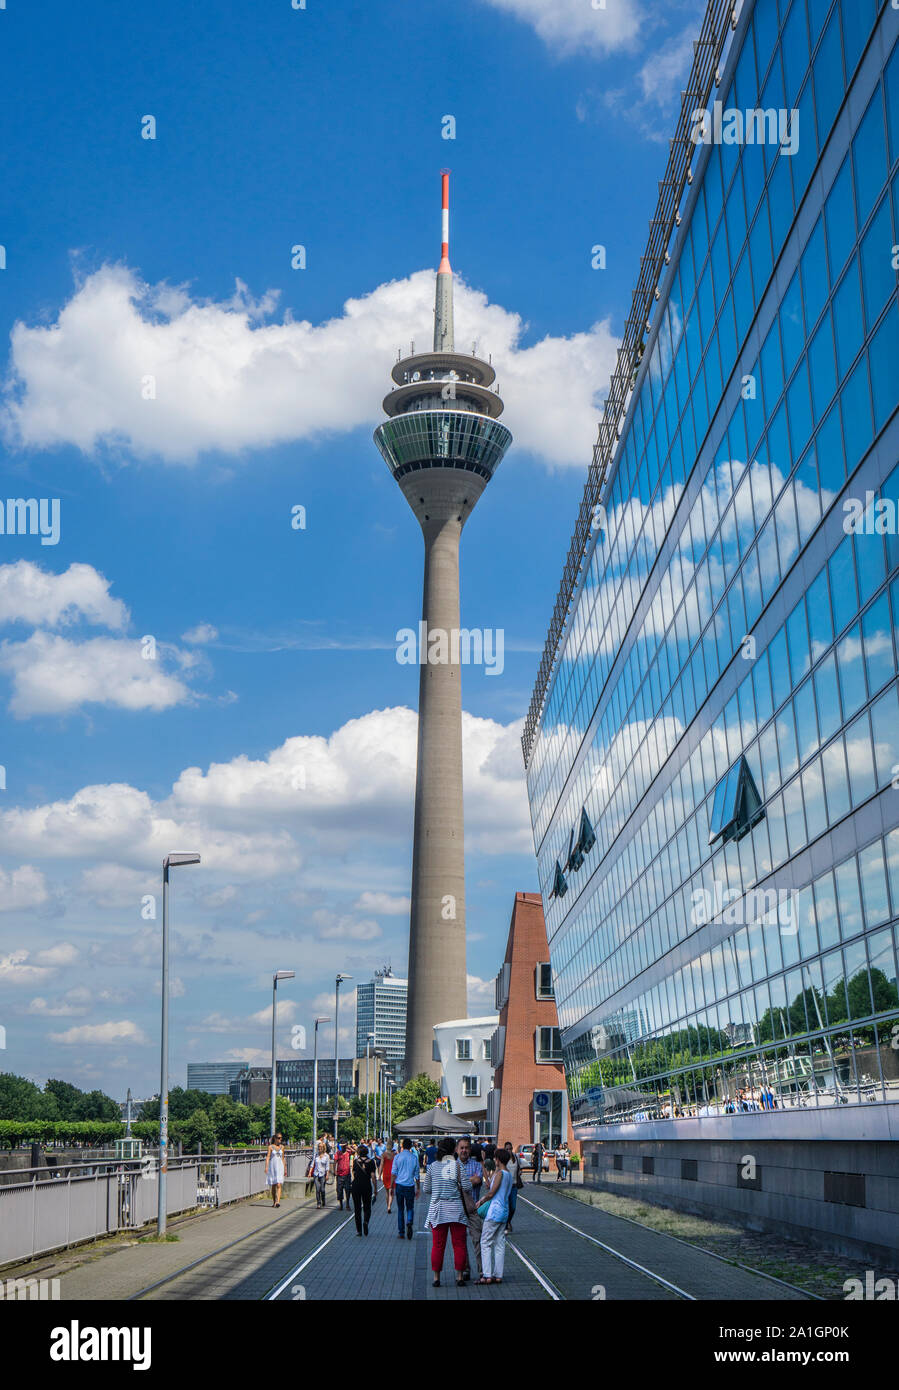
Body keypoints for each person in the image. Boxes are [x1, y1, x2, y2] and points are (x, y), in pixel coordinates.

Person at [422, 1136, 472, 1287]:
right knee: (459, 1244)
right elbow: (467, 1187)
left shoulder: (432, 1167)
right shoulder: (457, 1166)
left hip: (438, 1211)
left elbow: (426, 1189)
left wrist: (439, 1189)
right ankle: (459, 1276)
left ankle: (436, 1278)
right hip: (456, 1210)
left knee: (438, 1245)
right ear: (453, 1150)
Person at [478, 1148, 513, 1285]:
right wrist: (482, 1165)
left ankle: (487, 1274)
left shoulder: (500, 1174)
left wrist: (480, 1201)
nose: (493, 1160)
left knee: (485, 1242)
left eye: (494, 1158)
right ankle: (498, 1275)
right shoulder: (508, 1174)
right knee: (499, 1243)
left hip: (494, 1212)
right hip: (504, 1212)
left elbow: (491, 1193)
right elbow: (488, 1184)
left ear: (498, 1159)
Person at [455, 1136, 484, 1282]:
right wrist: (469, 1180)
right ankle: (465, 1269)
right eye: (462, 1148)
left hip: (473, 1209)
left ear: (470, 1150)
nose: (464, 1150)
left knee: (477, 1240)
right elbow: (452, 1185)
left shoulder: (477, 1165)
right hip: (458, 1210)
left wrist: (460, 1181)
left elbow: (478, 1179)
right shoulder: (452, 1166)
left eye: (466, 1148)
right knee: (461, 1242)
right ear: (456, 1150)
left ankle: (482, 1271)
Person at [392, 1137, 420, 1239]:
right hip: (410, 1186)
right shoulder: (414, 1158)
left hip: (399, 1185)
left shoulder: (397, 1157)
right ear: (411, 1146)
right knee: (410, 1207)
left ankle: (401, 1232)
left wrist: (391, 1187)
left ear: (402, 1146)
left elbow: (394, 1173)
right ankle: (409, 1220)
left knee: (400, 1209)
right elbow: (417, 1175)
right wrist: (418, 1188)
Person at [351, 1143, 378, 1236]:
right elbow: (373, 1176)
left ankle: (359, 1231)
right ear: (366, 1152)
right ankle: (366, 1221)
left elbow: (353, 1174)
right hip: (366, 1186)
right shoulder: (371, 1162)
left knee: (357, 1209)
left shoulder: (355, 1161)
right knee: (367, 1207)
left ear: (358, 1152)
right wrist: (375, 1189)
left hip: (356, 1186)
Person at [503, 1142, 521, 1230]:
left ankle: (509, 1220)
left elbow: (518, 1168)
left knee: (513, 1207)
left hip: (514, 1185)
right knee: (506, 1206)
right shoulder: (504, 1159)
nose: (509, 1151)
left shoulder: (515, 1157)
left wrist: (519, 1172)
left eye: (510, 1149)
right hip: (506, 1186)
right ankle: (506, 1224)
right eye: (507, 1149)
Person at [265, 1133, 285, 1208]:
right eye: (279, 1138)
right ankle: (274, 1201)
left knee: (279, 1184)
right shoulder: (270, 1147)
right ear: (275, 1138)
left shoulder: (282, 1147)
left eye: (281, 1138)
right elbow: (268, 1157)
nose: (280, 1139)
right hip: (273, 1167)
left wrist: (285, 1168)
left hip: (280, 1167)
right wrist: (266, 1167)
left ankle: (277, 1202)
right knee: (273, 1184)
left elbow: (283, 1158)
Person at [311, 1139, 330, 1207]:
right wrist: (310, 1172)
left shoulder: (326, 1156)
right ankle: (318, 1203)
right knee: (317, 1189)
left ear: (324, 1148)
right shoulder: (315, 1155)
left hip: (323, 1174)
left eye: (321, 1147)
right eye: (319, 1147)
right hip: (316, 1174)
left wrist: (327, 1175)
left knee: (322, 1189)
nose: (320, 1148)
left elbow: (327, 1167)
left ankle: (323, 1200)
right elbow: (312, 1163)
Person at [334, 1141, 352, 1211]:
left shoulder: (348, 1152)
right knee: (339, 1190)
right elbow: (335, 1161)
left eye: (344, 1146)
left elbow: (355, 1151)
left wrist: (349, 1147)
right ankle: (341, 1205)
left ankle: (347, 1204)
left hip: (347, 1174)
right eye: (342, 1146)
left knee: (348, 1189)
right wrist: (335, 1170)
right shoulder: (338, 1153)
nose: (343, 1147)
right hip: (339, 1174)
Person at [381, 1139, 395, 1213]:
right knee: (392, 1191)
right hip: (393, 1174)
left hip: (385, 1174)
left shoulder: (384, 1155)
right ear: (392, 1146)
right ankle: (389, 1206)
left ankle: (387, 1206)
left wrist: (379, 1174)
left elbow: (381, 1165)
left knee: (387, 1192)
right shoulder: (395, 1154)